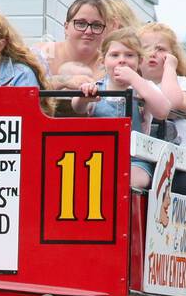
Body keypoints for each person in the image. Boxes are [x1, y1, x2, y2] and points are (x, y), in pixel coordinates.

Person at [72, 28, 171, 189]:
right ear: (103, 61)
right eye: (115, 55)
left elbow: (163, 110)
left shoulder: (144, 88)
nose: (122, 60)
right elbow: (77, 107)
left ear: (140, 60)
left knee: (130, 182)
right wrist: (84, 97)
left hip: (135, 160)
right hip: (96, 158)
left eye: (129, 55)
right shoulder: (95, 88)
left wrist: (134, 79)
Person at [33, 0, 133, 89]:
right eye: (81, 24)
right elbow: (24, 89)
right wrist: (63, 81)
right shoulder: (42, 54)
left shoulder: (110, 64)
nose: (88, 31)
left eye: (96, 26)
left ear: (105, 31)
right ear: (66, 27)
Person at [136, 23, 186, 149]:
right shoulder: (132, 84)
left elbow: (171, 102)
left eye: (160, 49)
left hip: (176, 155)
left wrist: (170, 68)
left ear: (173, 55)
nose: (152, 53)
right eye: (145, 48)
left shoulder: (182, 83)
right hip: (141, 147)